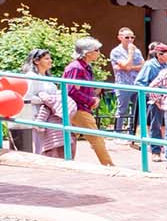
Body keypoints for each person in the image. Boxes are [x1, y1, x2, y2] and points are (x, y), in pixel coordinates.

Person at [62, 38, 114, 166]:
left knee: (70, 137)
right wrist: (90, 100)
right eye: (96, 50)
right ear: (87, 52)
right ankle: (108, 165)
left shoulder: (84, 67)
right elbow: (72, 90)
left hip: (81, 107)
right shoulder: (77, 68)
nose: (99, 53)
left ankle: (64, 161)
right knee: (96, 138)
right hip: (78, 108)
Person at [18, 49, 62, 157]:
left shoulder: (47, 77)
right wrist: (44, 100)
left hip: (48, 115)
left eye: (50, 58)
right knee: (38, 145)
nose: (50, 61)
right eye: (46, 59)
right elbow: (27, 96)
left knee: (45, 144)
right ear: (36, 61)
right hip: (36, 115)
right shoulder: (31, 76)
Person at [109, 27, 143, 136]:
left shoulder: (137, 51)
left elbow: (143, 66)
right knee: (122, 110)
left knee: (135, 111)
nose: (130, 39)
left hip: (136, 84)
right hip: (123, 84)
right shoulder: (116, 51)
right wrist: (130, 55)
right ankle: (117, 133)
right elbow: (126, 66)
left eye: (132, 37)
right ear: (120, 38)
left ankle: (131, 133)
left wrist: (129, 67)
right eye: (127, 37)